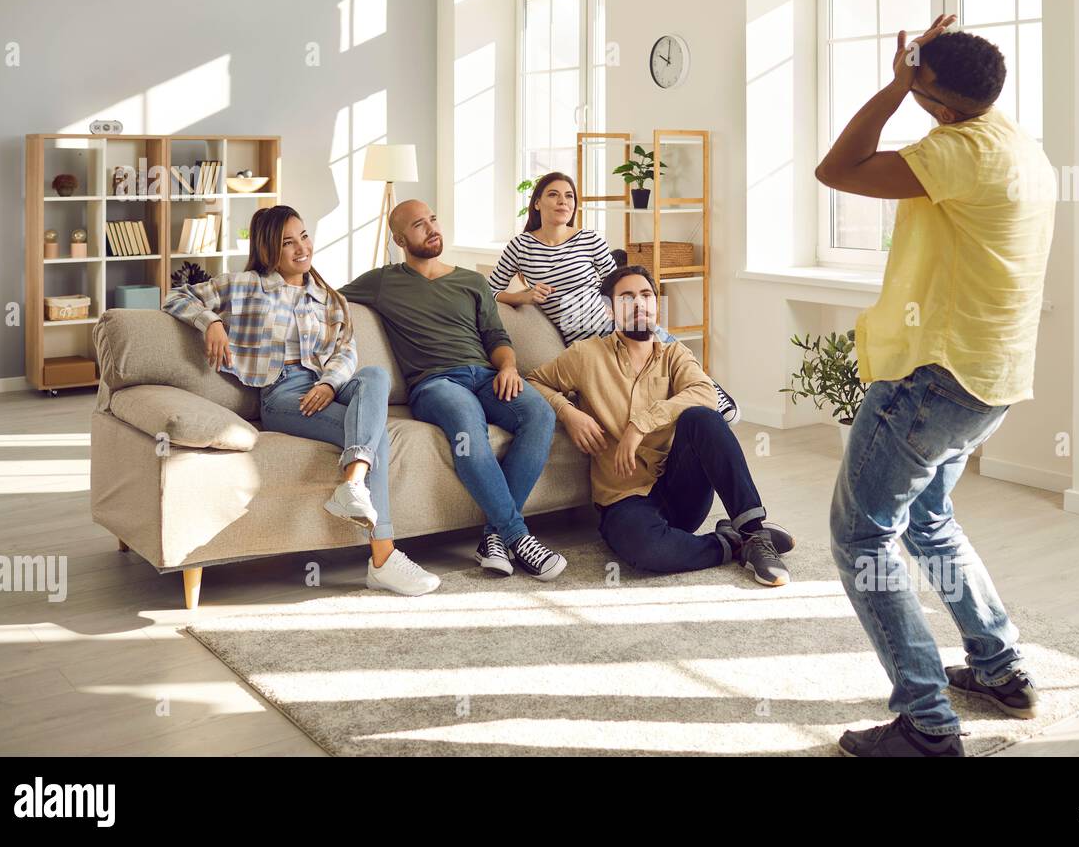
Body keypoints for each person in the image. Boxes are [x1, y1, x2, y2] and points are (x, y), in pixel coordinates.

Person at [815, 15, 1056, 756]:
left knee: (862, 534)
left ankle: (926, 722)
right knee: (927, 520)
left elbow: (836, 168)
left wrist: (894, 86)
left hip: (934, 377)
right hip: (992, 378)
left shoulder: (955, 151)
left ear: (938, 102)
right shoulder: (1020, 145)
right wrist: (920, 79)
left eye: (922, 86)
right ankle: (999, 667)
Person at [163, 205, 440, 597]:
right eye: (287, 243)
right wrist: (211, 321)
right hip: (284, 394)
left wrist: (329, 384)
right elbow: (176, 296)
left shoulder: (326, 297)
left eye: (304, 236)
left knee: (375, 376)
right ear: (268, 250)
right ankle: (383, 559)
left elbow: (346, 351)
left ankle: (354, 484)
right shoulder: (245, 286)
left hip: (328, 383)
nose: (300, 248)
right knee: (373, 434)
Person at [338, 200, 566, 581]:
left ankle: (493, 537)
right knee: (467, 424)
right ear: (398, 238)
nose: (431, 228)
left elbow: (497, 336)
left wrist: (508, 366)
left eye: (433, 220)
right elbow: (325, 297)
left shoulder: (471, 282)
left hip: (487, 375)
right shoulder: (382, 281)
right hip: (435, 383)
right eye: (418, 225)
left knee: (540, 414)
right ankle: (518, 535)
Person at [526, 264, 793, 585]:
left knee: (702, 418)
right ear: (610, 310)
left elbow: (706, 394)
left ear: (656, 304)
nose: (639, 304)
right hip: (624, 498)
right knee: (649, 552)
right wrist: (569, 412)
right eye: (626, 297)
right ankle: (735, 544)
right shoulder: (587, 355)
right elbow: (534, 381)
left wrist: (640, 424)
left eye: (646, 295)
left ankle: (753, 531)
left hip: (682, 493)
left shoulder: (675, 354)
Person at [489, 171, 741, 423]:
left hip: (613, 320)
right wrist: (523, 297)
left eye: (569, 196)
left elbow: (618, 283)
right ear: (536, 203)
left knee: (662, 345)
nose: (562, 201)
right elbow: (490, 290)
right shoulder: (520, 246)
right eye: (553, 195)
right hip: (580, 336)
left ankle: (708, 389)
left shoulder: (588, 238)